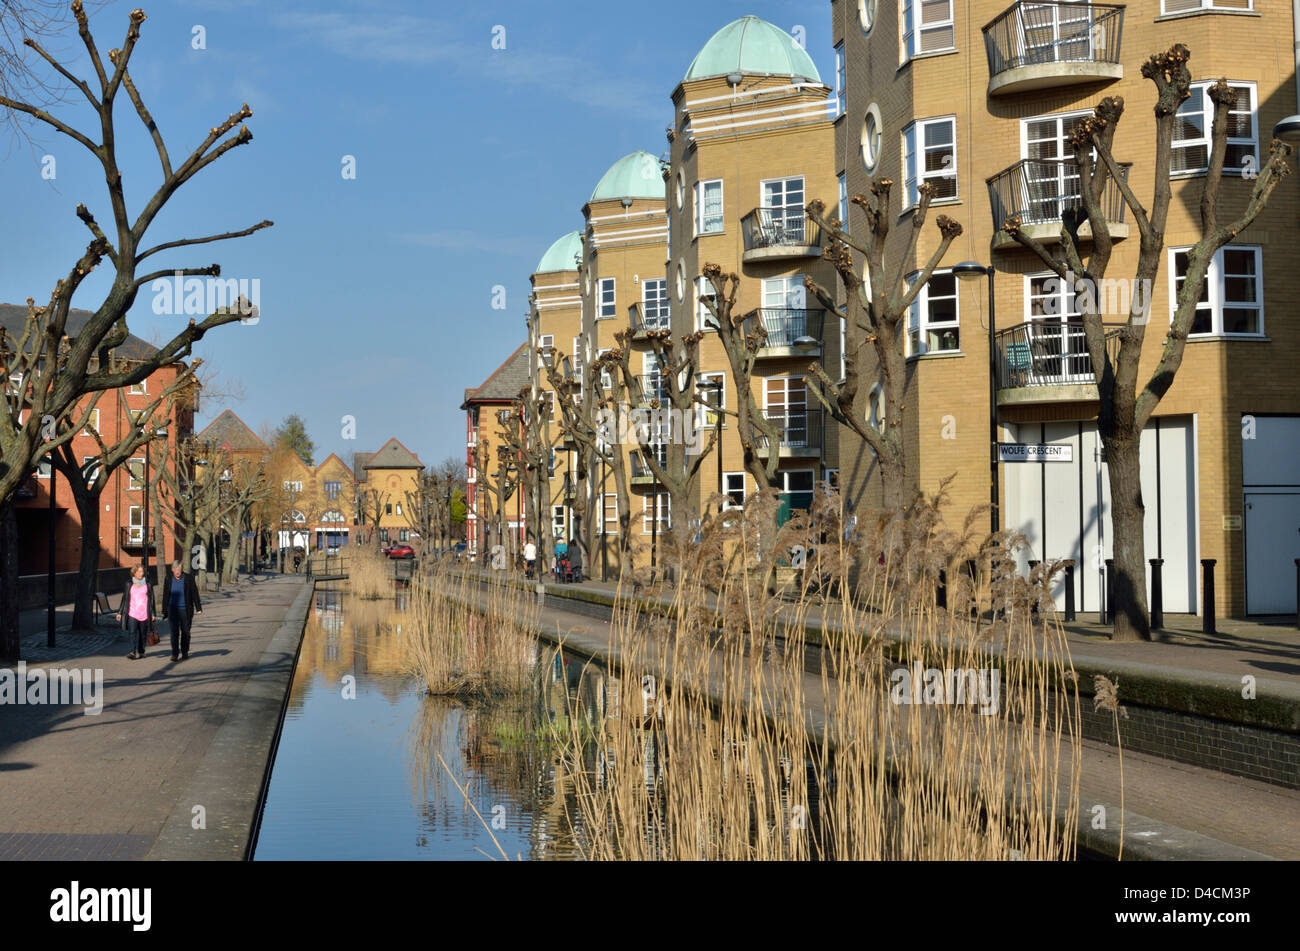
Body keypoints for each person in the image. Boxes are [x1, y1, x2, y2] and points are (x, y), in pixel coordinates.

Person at [160, 560, 203, 662]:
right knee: (174, 633)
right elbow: (166, 594)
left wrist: (198, 607)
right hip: (173, 610)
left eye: (179, 569)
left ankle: (184, 652)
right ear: (172, 570)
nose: (177, 571)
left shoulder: (188, 578)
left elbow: (194, 593)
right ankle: (175, 653)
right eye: (175, 569)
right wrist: (164, 608)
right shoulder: (168, 578)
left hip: (185, 609)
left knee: (186, 632)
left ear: (182, 569)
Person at [115, 565, 155, 660]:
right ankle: (132, 652)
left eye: (142, 571)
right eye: (139, 571)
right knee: (132, 633)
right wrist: (119, 612)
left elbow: (152, 599)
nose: (141, 573)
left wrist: (153, 613)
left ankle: (141, 651)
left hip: (144, 613)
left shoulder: (148, 584)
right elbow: (124, 599)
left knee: (142, 634)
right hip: (132, 612)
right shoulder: (129, 584)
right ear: (134, 573)